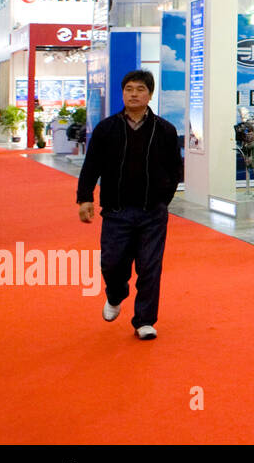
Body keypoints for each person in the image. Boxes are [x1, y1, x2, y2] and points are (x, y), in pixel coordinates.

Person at [76, 70, 183, 341]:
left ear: (150, 94)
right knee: (112, 263)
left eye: (140, 89)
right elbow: (91, 166)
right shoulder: (107, 128)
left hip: (152, 212)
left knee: (150, 266)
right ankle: (116, 293)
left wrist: (162, 200)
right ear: (122, 93)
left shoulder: (165, 130)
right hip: (116, 211)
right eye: (129, 89)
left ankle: (144, 320)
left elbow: (174, 169)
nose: (133, 94)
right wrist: (85, 197)